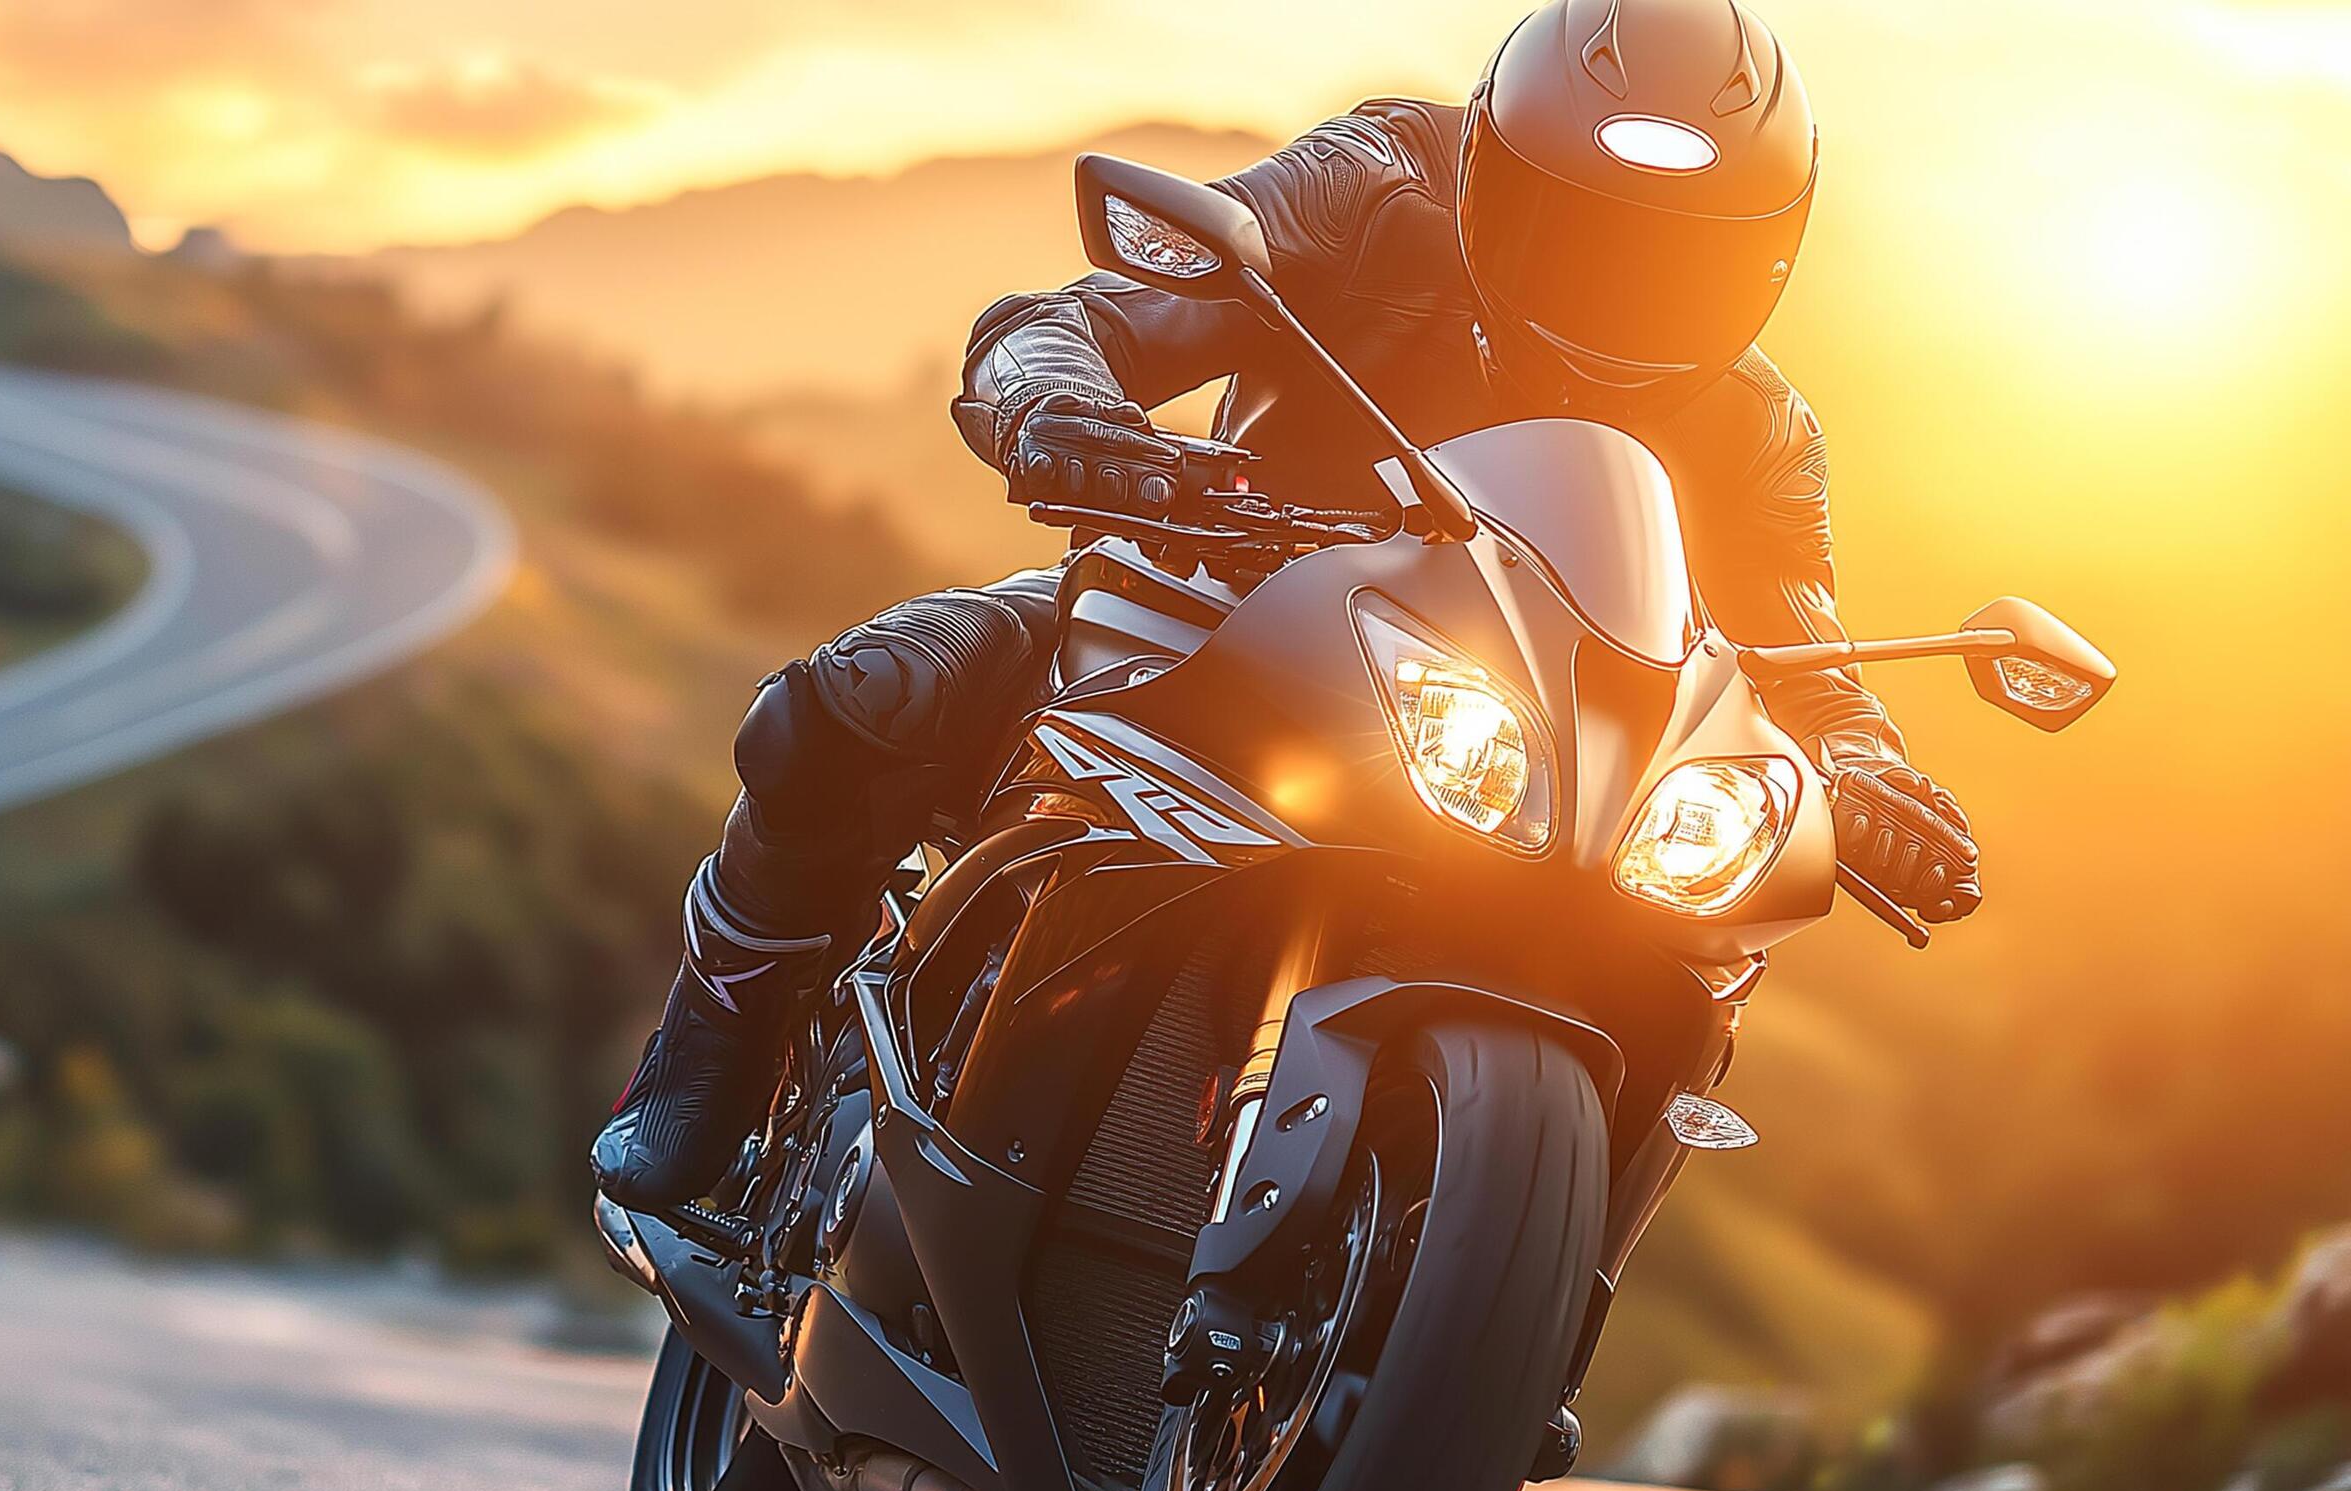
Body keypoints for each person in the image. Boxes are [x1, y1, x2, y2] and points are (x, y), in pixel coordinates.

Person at [592, 0, 1984, 1209]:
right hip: (1216, 614)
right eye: (1581, 232)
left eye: (1680, 257)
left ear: (1767, 257)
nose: (1624, 286)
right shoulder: (1375, 191)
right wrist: (1068, 413)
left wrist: (1867, 778)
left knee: (1685, 959)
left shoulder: (1758, 432)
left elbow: (1804, 652)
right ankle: (714, 1053)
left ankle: (1510, 1294)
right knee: (861, 703)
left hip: (1525, 750)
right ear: (1490, 169)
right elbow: (1083, 317)